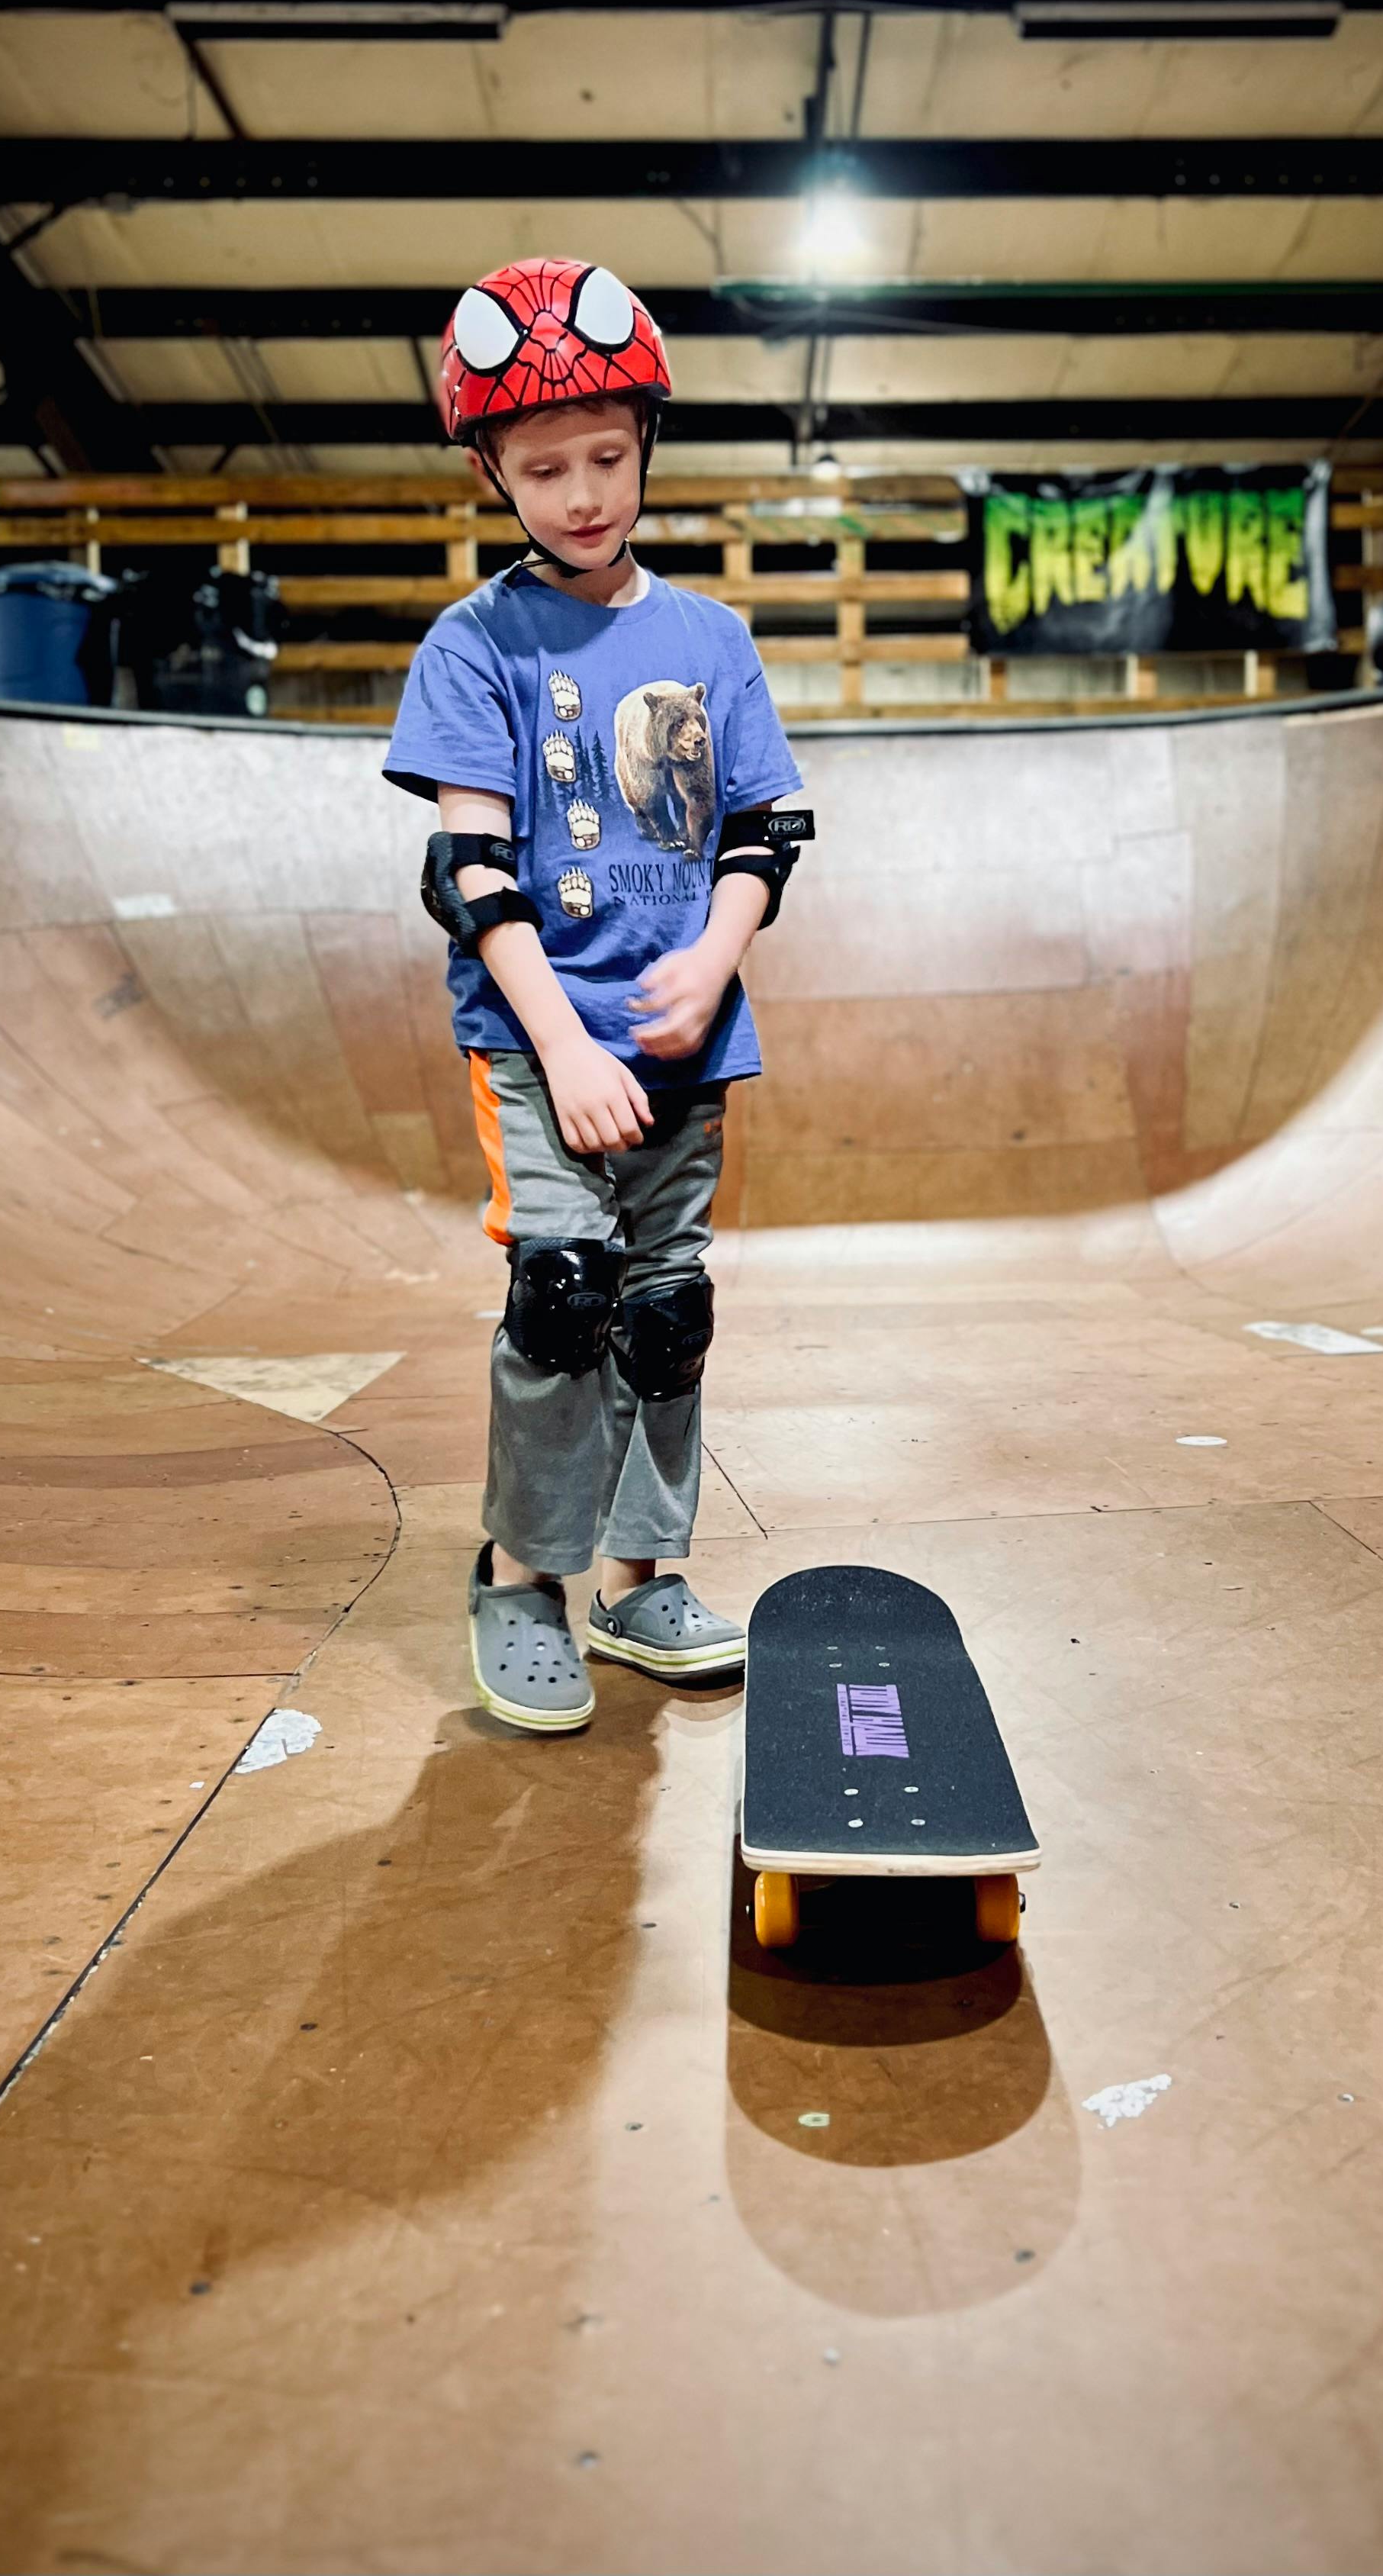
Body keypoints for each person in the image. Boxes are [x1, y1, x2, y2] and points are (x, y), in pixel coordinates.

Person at [382, 256, 809, 1735]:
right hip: (540, 1033)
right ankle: (519, 1576)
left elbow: (760, 830)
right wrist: (561, 1044)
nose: (582, 493)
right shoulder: (474, 646)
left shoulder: (710, 641)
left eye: (608, 459)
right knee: (561, 1297)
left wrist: (718, 949)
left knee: (666, 1311)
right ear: (492, 472)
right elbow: (470, 872)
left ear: (646, 449)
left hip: (684, 1037)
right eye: (545, 467)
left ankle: (638, 1579)